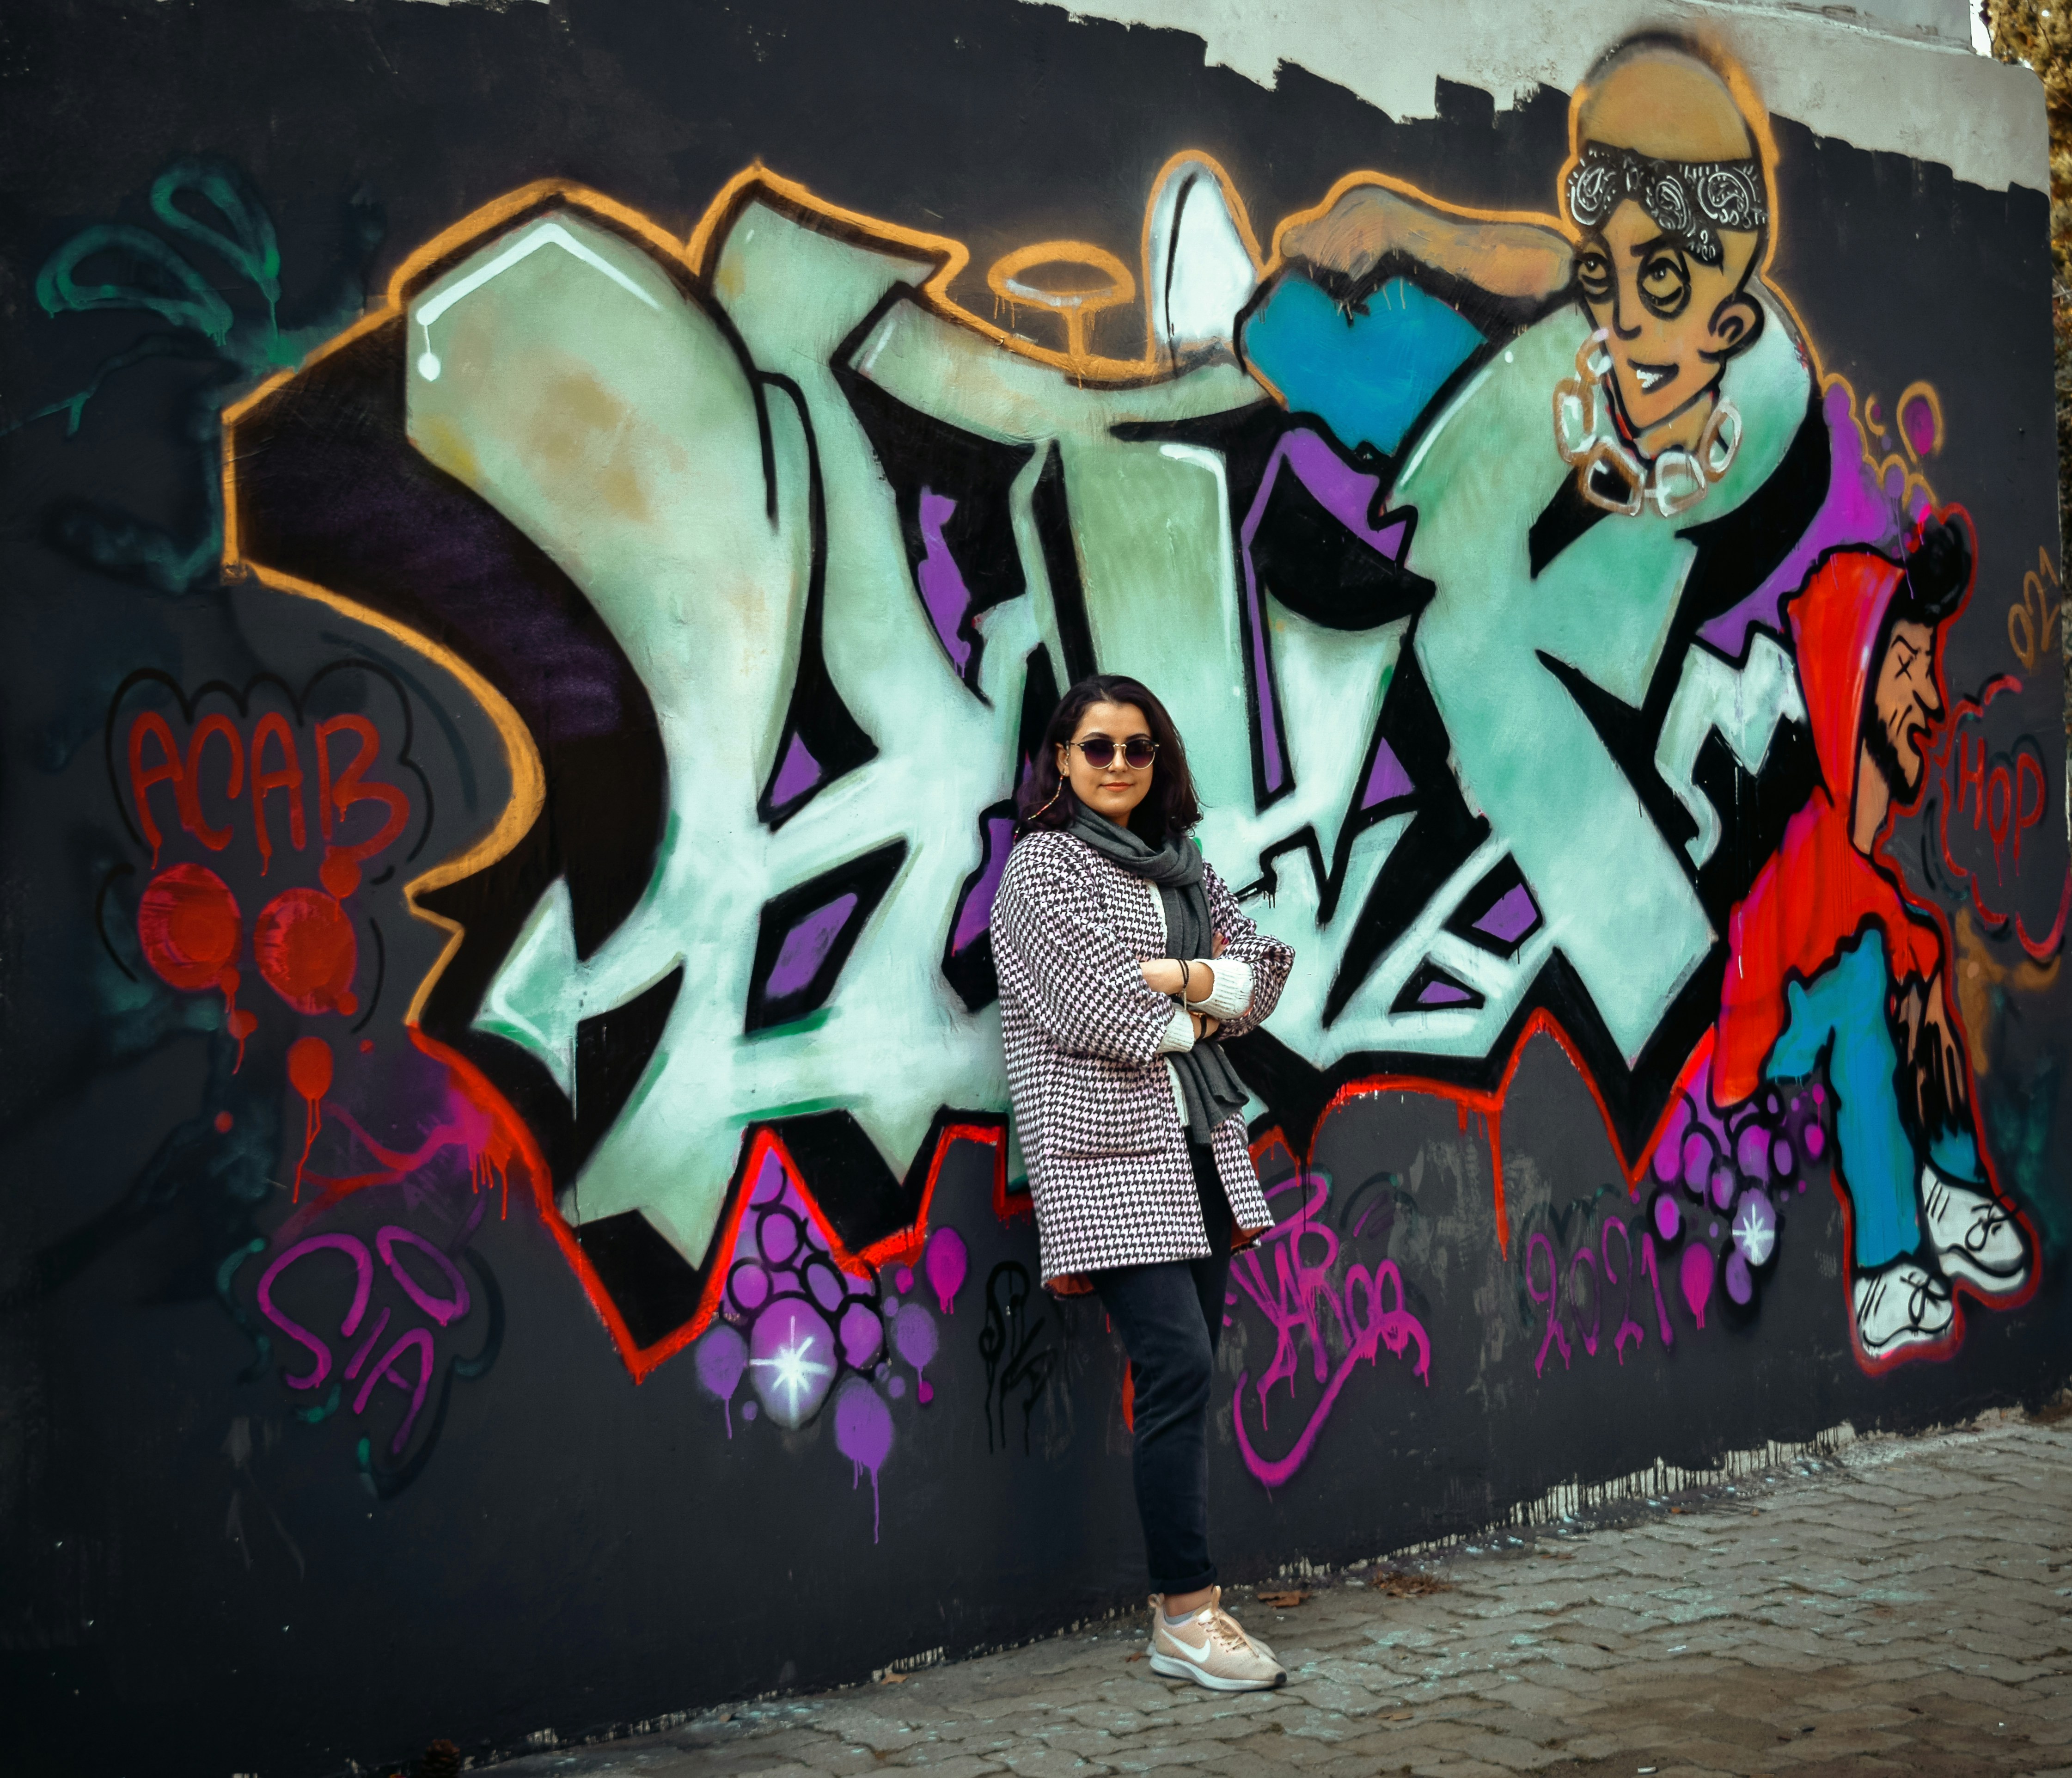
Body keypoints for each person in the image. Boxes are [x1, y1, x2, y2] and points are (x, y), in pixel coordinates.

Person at [990, 674, 1296, 1693]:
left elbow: (1265, 971)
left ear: (1158, 759)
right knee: (1176, 1365)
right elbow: (1092, 1007)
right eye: (1097, 747)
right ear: (1061, 759)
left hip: (1198, 1147)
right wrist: (1205, 990)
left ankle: (1185, 1612)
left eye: (1136, 747)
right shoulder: (1044, 867)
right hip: (1104, 1158)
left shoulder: (1184, 864)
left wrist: (1179, 979)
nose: (1117, 764)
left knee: (1186, 1374)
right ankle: (1188, 1613)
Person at [1713, 511, 2034, 1365]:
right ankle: (1886, 1271)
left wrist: (1916, 982)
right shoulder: (1801, 852)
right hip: (1759, 1062)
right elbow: (1754, 1016)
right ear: (1848, 683)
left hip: (1825, 1026)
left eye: (1927, 668)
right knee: (1866, 975)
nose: (1931, 700)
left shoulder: (1866, 875)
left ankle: (1951, 1187)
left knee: (1911, 956)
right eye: (1906, 671)